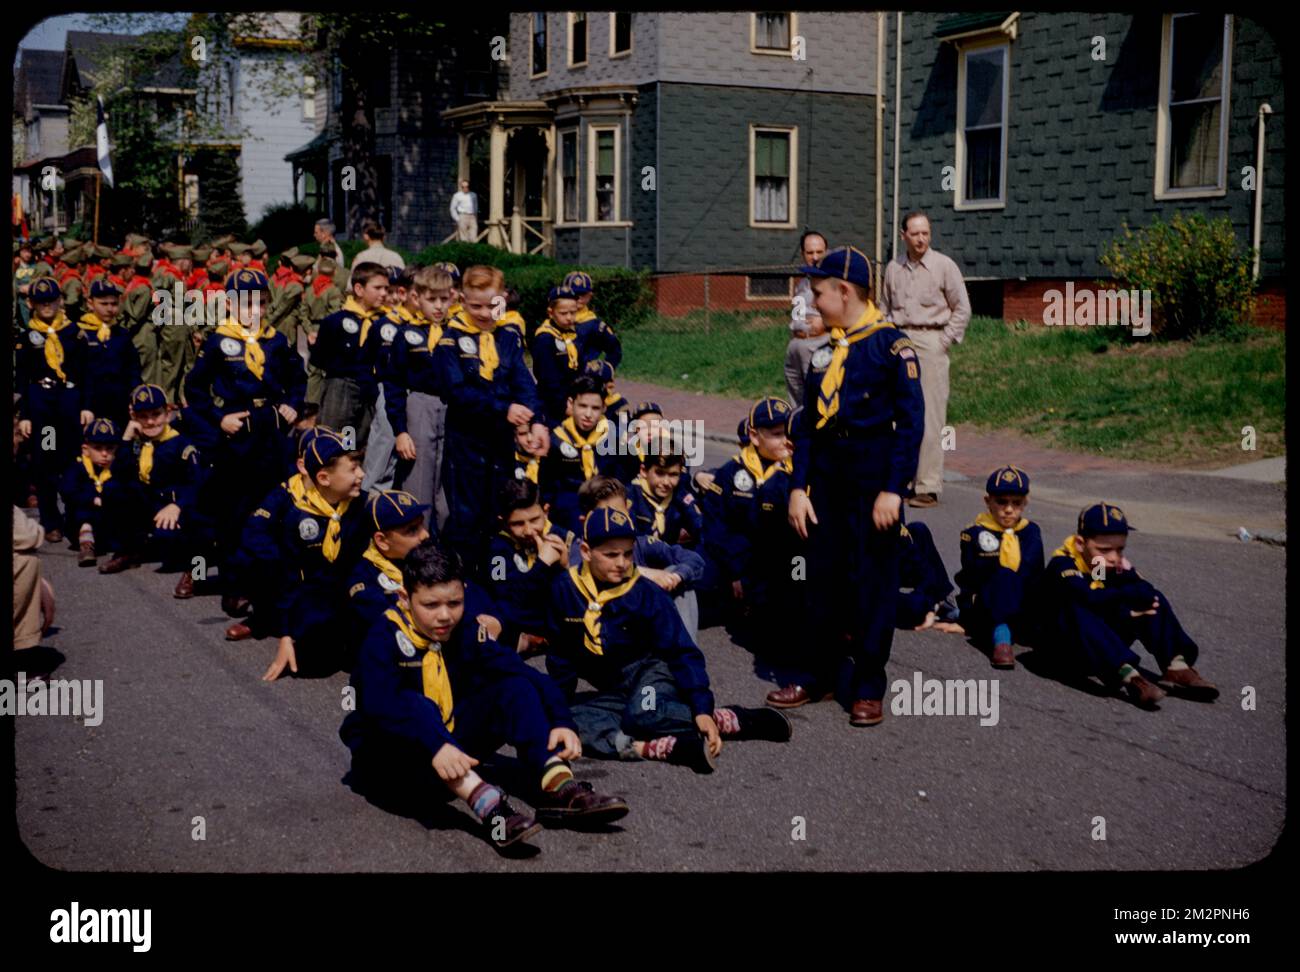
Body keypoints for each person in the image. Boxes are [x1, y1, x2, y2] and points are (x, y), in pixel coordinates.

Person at [342, 539, 628, 852]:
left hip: (448, 748)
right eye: (431, 605)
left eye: (454, 603)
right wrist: (437, 745)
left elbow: (519, 671)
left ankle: (558, 785)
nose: (444, 616)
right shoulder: (382, 638)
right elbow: (381, 706)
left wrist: (561, 720)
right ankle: (492, 811)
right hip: (392, 762)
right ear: (405, 598)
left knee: (512, 685)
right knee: (414, 702)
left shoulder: (463, 627)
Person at [771, 245, 925, 727]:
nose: (813, 302)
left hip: (872, 480)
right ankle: (818, 673)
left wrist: (894, 489)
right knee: (820, 578)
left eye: (819, 293)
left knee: (872, 583)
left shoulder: (891, 346)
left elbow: (912, 423)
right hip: (828, 483)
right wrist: (799, 487)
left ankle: (868, 682)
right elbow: (810, 428)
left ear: (844, 290)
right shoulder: (824, 354)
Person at [542, 507, 792, 773]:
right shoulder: (564, 589)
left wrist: (702, 707)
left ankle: (728, 719)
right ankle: (659, 747)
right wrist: (560, 709)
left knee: (643, 712)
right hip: (612, 686)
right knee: (558, 718)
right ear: (586, 552)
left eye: (627, 553)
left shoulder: (645, 593)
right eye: (611, 555)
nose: (622, 563)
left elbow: (681, 651)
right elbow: (561, 657)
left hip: (650, 672)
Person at [184, 268, 305, 593]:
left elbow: (298, 377)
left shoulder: (276, 340)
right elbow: (194, 388)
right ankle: (232, 580)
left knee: (272, 503)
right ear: (229, 304)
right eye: (247, 303)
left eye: (261, 304)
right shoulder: (218, 342)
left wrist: (292, 403)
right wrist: (217, 417)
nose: (255, 311)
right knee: (232, 509)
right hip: (236, 433)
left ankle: (266, 578)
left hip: (270, 432)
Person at [1039, 502, 1219, 709]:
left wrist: (1130, 580)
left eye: (1120, 549)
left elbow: (1142, 590)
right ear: (1081, 543)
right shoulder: (1064, 565)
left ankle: (1175, 665)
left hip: (1098, 644)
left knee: (1153, 600)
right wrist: (1127, 610)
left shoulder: (1100, 564)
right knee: (1079, 608)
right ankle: (1131, 678)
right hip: (1062, 649)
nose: (1114, 557)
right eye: (1105, 550)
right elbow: (1091, 598)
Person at [432, 264, 549, 572]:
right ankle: (465, 578)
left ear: (504, 298)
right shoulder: (450, 341)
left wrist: (536, 420)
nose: (485, 313)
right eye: (476, 306)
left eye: (492, 305)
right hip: (466, 441)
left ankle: (498, 575)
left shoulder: (508, 336)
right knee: (467, 515)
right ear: (461, 299)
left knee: (499, 509)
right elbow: (456, 392)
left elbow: (523, 381)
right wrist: (504, 409)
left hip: (499, 442)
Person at [877, 211, 971, 509]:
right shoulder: (893, 268)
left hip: (932, 341)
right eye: (915, 233)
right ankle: (901, 479)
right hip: (899, 340)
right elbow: (883, 308)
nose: (921, 239)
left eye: (926, 233)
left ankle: (927, 485)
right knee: (899, 413)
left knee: (931, 416)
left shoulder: (944, 266)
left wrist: (943, 342)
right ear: (903, 235)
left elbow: (962, 309)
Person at [262, 429, 369, 681]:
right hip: (319, 597)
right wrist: (286, 635)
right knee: (311, 666)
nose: (362, 474)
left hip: (358, 592)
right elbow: (289, 577)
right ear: (324, 478)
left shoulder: (364, 507)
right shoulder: (298, 516)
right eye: (353, 469)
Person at [696, 397, 800, 657]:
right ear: (754, 436)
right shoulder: (733, 472)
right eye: (776, 435)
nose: (785, 441)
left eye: (788, 433)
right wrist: (735, 571)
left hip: (779, 559)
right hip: (735, 556)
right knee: (700, 578)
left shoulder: (797, 471)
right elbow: (715, 524)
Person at [570, 474, 706, 644]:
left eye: (620, 514)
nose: (616, 523)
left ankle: (686, 657)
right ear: (585, 520)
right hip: (605, 637)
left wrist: (676, 576)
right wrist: (638, 572)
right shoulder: (580, 549)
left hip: (643, 633)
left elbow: (694, 559)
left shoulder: (640, 543)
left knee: (678, 577)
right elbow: (581, 571)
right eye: (605, 516)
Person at [107, 384, 208, 596]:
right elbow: (118, 473)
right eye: (143, 416)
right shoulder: (137, 441)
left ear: (167, 413)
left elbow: (198, 483)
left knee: (199, 524)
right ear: (133, 415)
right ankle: (130, 550)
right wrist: (126, 439)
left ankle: (197, 573)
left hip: (181, 507)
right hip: (153, 504)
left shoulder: (180, 443)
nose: (151, 421)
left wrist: (177, 505)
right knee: (113, 489)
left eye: (156, 414)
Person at [16, 277, 93, 542]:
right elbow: (22, 380)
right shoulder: (27, 338)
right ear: (31, 304)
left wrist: (86, 406)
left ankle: (75, 518)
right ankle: (51, 521)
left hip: (69, 405)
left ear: (60, 301)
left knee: (72, 462)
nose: (47, 306)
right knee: (46, 462)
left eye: (51, 301)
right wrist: (24, 415)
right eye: (41, 302)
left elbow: (86, 373)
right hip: (43, 409)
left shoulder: (75, 333)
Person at [953, 466, 1044, 668]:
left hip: (1023, 605)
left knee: (1015, 577)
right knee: (1002, 574)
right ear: (988, 502)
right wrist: (967, 615)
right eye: (1001, 502)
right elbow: (969, 578)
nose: (1009, 509)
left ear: (1025, 503)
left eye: (1016, 503)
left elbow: (1033, 572)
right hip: (988, 606)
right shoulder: (974, 533)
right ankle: (1001, 636)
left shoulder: (1030, 532)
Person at [386, 266, 454, 517]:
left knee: (446, 490)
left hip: (452, 409)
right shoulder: (406, 334)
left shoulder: (455, 334)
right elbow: (393, 383)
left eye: (444, 299)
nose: (438, 306)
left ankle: (445, 548)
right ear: (416, 298)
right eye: (432, 299)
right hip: (420, 406)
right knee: (419, 482)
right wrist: (400, 431)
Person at [483, 478, 574, 654]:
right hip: (522, 620)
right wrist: (542, 565)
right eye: (518, 524)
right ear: (503, 521)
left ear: (546, 512)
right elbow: (505, 598)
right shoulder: (498, 550)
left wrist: (565, 566)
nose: (528, 530)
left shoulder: (564, 538)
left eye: (534, 520)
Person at [312, 262, 388, 454]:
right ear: (359, 289)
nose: (384, 293)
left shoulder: (385, 323)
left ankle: (351, 470)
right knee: (337, 437)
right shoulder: (335, 321)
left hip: (370, 388)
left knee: (359, 440)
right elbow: (319, 358)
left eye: (386, 288)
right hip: (342, 388)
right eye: (378, 288)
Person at [539, 375, 626, 534]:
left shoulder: (615, 439)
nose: (588, 414)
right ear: (571, 404)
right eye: (582, 406)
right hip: (568, 513)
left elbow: (623, 480)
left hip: (607, 507)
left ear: (604, 408)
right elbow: (547, 484)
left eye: (595, 408)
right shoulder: (556, 440)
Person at [58, 418, 139, 569]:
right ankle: (86, 546)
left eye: (110, 448)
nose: (104, 454)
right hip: (79, 526)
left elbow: (130, 484)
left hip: (108, 525)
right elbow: (67, 491)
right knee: (83, 509)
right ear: (85, 449)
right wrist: (92, 499)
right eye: (98, 448)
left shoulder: (118, 468)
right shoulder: (77, 467)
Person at [77, 279, 142, 431]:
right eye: (104, 304)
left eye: (113, 304)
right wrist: (83, 405)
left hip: (119, 401)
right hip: (91, 402)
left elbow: (133, 369)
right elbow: (77, 373)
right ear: (90, 303)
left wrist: (134, 398)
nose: (110, 309)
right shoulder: (79, 333)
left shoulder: (122, 334)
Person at [784, 230, 830, 406]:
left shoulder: (832, 282)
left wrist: (825, 324)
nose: (815, 257)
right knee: (796, 398)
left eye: (819, 252)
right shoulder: (802, 284)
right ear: (803, 254)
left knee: (816, 396)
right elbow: (796, 316)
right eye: (810, 253)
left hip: (818, 344)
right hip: (796, 344)